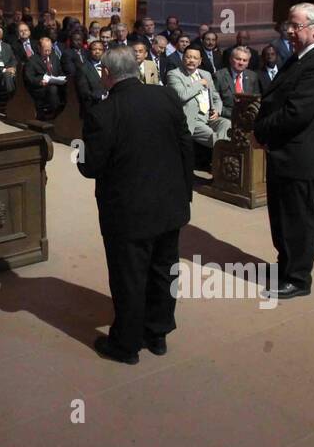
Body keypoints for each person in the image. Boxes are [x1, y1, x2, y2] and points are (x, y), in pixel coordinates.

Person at [77, 46, 192, 363]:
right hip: (170, 205)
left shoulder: (103, 113)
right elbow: (185, 148)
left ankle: (125, 345)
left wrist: (80, 150)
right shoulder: (166, 97)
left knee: (129, 277)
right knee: (163, 272)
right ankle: (157, 334)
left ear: (106, 74)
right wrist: (185, 195)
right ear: (137, 68)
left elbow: (90, 167)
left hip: (127, 214)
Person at [254, 3, 314, 299]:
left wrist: (262, 131)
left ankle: (299, 277)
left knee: (299, 218)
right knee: (281, 216)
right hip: (284, 152)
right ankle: (285, 266)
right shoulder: (300, 56)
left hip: (299, 155)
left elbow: (296, 113)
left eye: (296, 26)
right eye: (289, 25)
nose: (289, 31)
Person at [169, 46, 231, 146]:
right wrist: (199, 83)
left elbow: (216, 97)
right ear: (182, 58)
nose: (191, 60)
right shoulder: (174, 74)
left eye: (195, 58)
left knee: (227, 124)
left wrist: (217, 110)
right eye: (188, 57)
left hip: (210, 117)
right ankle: (224, 157)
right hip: (192, 119)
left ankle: (222, 155)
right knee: (215, 138)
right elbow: (181, 96)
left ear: (200, 61)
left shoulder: (206, 74)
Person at [21, 36, 66, 121]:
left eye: (50, 50)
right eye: (46, 50)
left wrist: (63, 78)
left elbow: (60, 71)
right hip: (39, 88)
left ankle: (68, 111)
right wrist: (40, 82)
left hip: (55, 84)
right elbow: (29, 78)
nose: (48, 52)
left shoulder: (54, 57)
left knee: (69, 87)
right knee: (53, 89)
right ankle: (56, 114)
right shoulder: (32, 60)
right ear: (39, 48)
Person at [214, 45, 260, 118]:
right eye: (238, 59)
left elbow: (256, 100)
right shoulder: (219, 76)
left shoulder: (252, 76)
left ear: (248, 63)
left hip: (248, 117)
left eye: (244, 60)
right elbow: (215, 101)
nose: (241, 63)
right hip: (226, 117)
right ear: (230, 59)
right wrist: (234, 115)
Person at [73, 39, 109, 112]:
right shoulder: (83, 68)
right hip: (93, 106)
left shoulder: (108, 65)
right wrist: (101, 97)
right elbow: (84, 92)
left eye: (100, 49)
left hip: (110, 105)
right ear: (89, 51)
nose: (97, 51)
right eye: (94, 49)